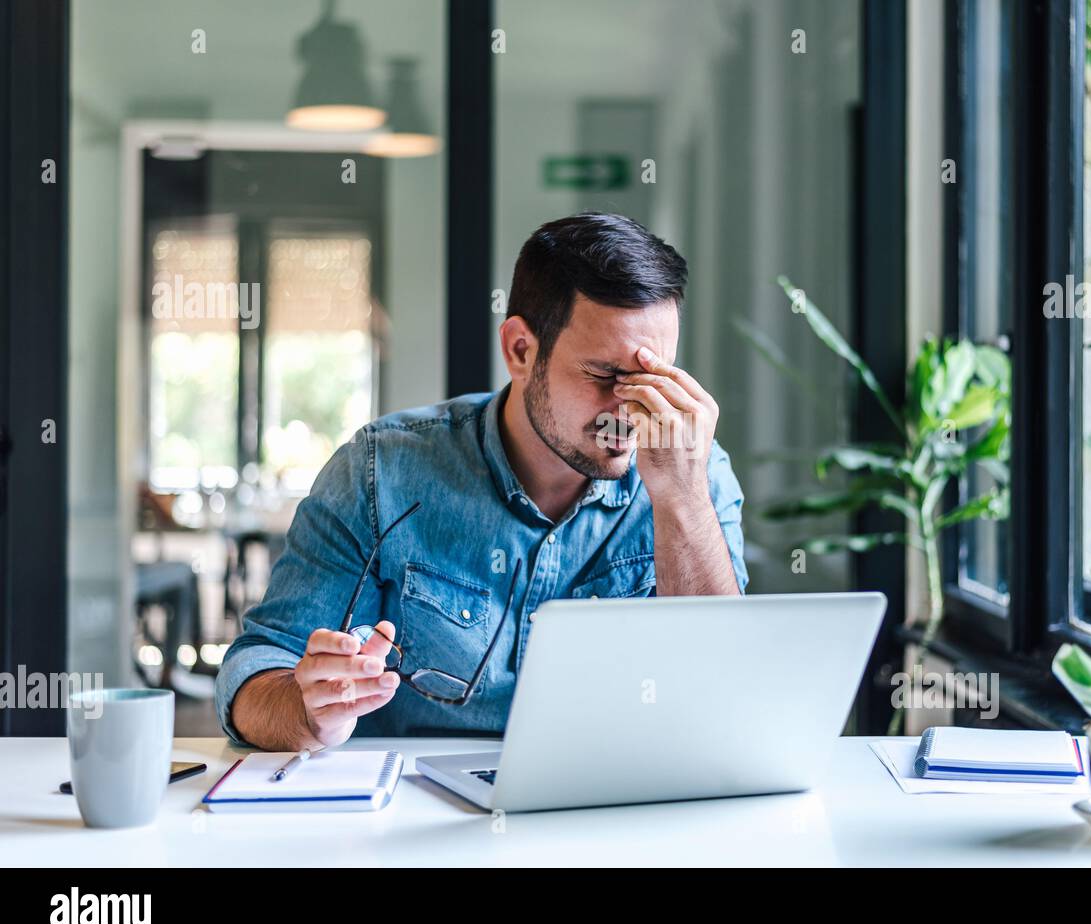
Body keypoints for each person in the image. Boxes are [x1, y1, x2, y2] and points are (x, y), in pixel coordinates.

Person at [215, 212, 748, 751]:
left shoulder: (694, 472)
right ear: (520, 350)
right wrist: (307, 712)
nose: (631, 409)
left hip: (613, 810)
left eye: (656, 379)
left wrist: (680, 500)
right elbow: (256, 672)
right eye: (606, 376)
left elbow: (728, 693)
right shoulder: (380, 472)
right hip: (416, 818)